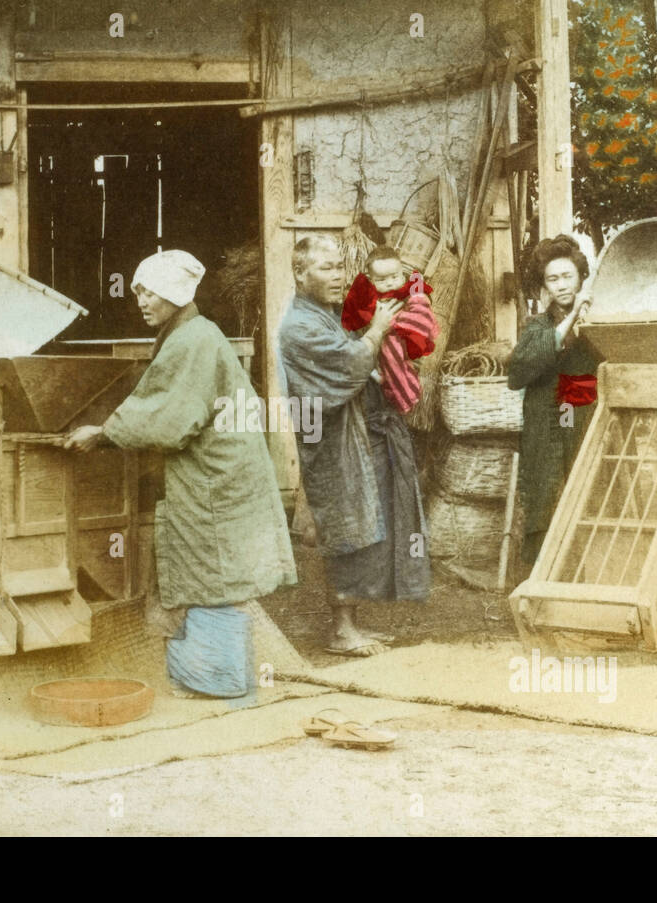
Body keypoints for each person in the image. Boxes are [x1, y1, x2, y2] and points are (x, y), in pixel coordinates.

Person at [65, 249, 296, 701]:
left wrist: (104, 433)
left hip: (215, 477)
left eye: (150, 292)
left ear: (174, 294)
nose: (141, 301)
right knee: (211, 573)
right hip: (221, 471)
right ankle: (212, 678)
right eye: (138, 292)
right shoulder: (193, 335)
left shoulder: (193, 340)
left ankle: (217, 681)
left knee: (208, 575)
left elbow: (170, 417)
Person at [278, 236, 431, 658]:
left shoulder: (327, 313)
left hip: (357, 434)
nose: (338, 276)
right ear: (300, 273)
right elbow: (348, 365)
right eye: (326, 268)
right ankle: (341, 630)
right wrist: (378, 330)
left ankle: (353, 622)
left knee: (366, 527)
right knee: (346, 529)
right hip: (333, 444)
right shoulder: (299, 327)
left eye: (340, 267)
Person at [507, 234, 601, 568]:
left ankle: (584, 573)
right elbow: (517, 373)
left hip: (580, 412)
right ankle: (539, 579)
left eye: (567, 276)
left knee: (586, 489)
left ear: (581, 277)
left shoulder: (598, 320)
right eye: (553, 279)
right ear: (545, 285)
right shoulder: (537, 326)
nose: (561, 285)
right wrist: (571, 319)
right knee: (543, 498)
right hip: (544, 420)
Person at [340, 245, 440, 415]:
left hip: (409, 335)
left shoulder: (408, 288)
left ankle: (401, 388)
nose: (390, 283)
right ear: (371, 280)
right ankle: (394, 383)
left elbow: (421, 304)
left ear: (402, 272)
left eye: (395, 276)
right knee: (387, 350)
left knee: (418, 306)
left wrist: (404, 317)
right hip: (387, 341)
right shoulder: (369, 294)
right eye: (381, 280)